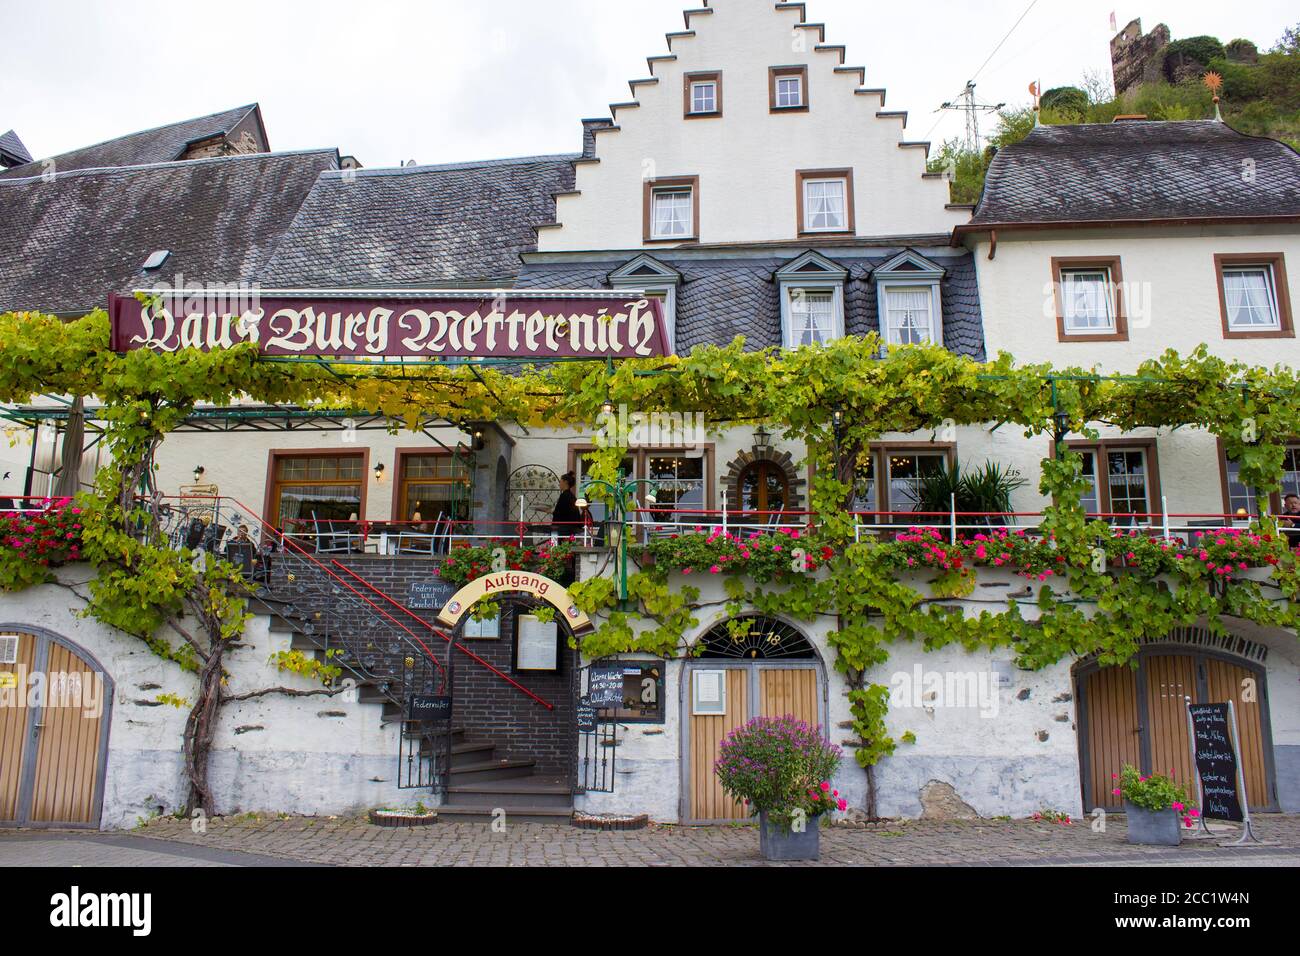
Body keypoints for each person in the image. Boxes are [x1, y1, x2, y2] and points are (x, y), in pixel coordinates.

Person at [552, 472, 583, 539]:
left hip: (564, 530)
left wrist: (545, 510)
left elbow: (558, 512)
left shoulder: (565, 496)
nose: (559, 484)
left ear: (565, 482)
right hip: (571, 529)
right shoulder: (571, 496)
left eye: (560, 482)